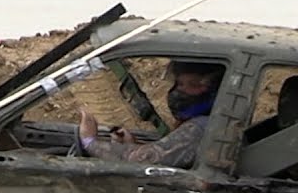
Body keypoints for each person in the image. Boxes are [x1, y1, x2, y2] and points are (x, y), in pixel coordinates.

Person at [79, 60, 225, 168]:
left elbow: (144, 161)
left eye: (185, 85)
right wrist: (131, 145)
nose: (177, 92)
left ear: (208, 88)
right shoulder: (215, 121)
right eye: (177, 84)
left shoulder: (200, 127)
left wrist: (90, 142)